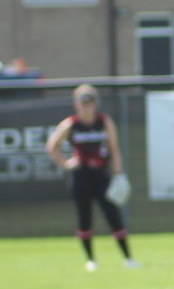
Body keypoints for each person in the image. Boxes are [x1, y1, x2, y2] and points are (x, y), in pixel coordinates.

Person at [45, 83, 137, 271]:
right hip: (81, 176)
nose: (87, 107)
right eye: (83, 103)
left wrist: (118, 174)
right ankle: (91, 260)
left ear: (96, 103)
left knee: (113, 216)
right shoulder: (71, 124)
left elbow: (114, 148)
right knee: (84, 218)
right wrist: (66, 163)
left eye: (90, 102)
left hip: (101, 174)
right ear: (76, 104)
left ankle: (128, 258)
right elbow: (52, 146)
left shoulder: (104, 122)